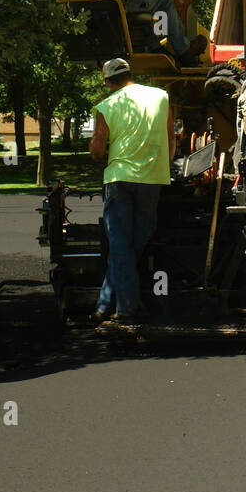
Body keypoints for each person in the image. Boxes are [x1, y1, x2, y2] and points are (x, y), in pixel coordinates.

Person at [89, 58, 173, 323]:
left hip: (119, 179)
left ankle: (125, 308)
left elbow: (98, 150)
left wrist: (97, 146)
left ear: (109, 82)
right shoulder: (161, 97)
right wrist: (165, 165)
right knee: (135, 242)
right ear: (130, 74)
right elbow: (172, 138)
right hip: (153, 179)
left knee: (120, 244)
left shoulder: (106, 106)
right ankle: (103, 305)